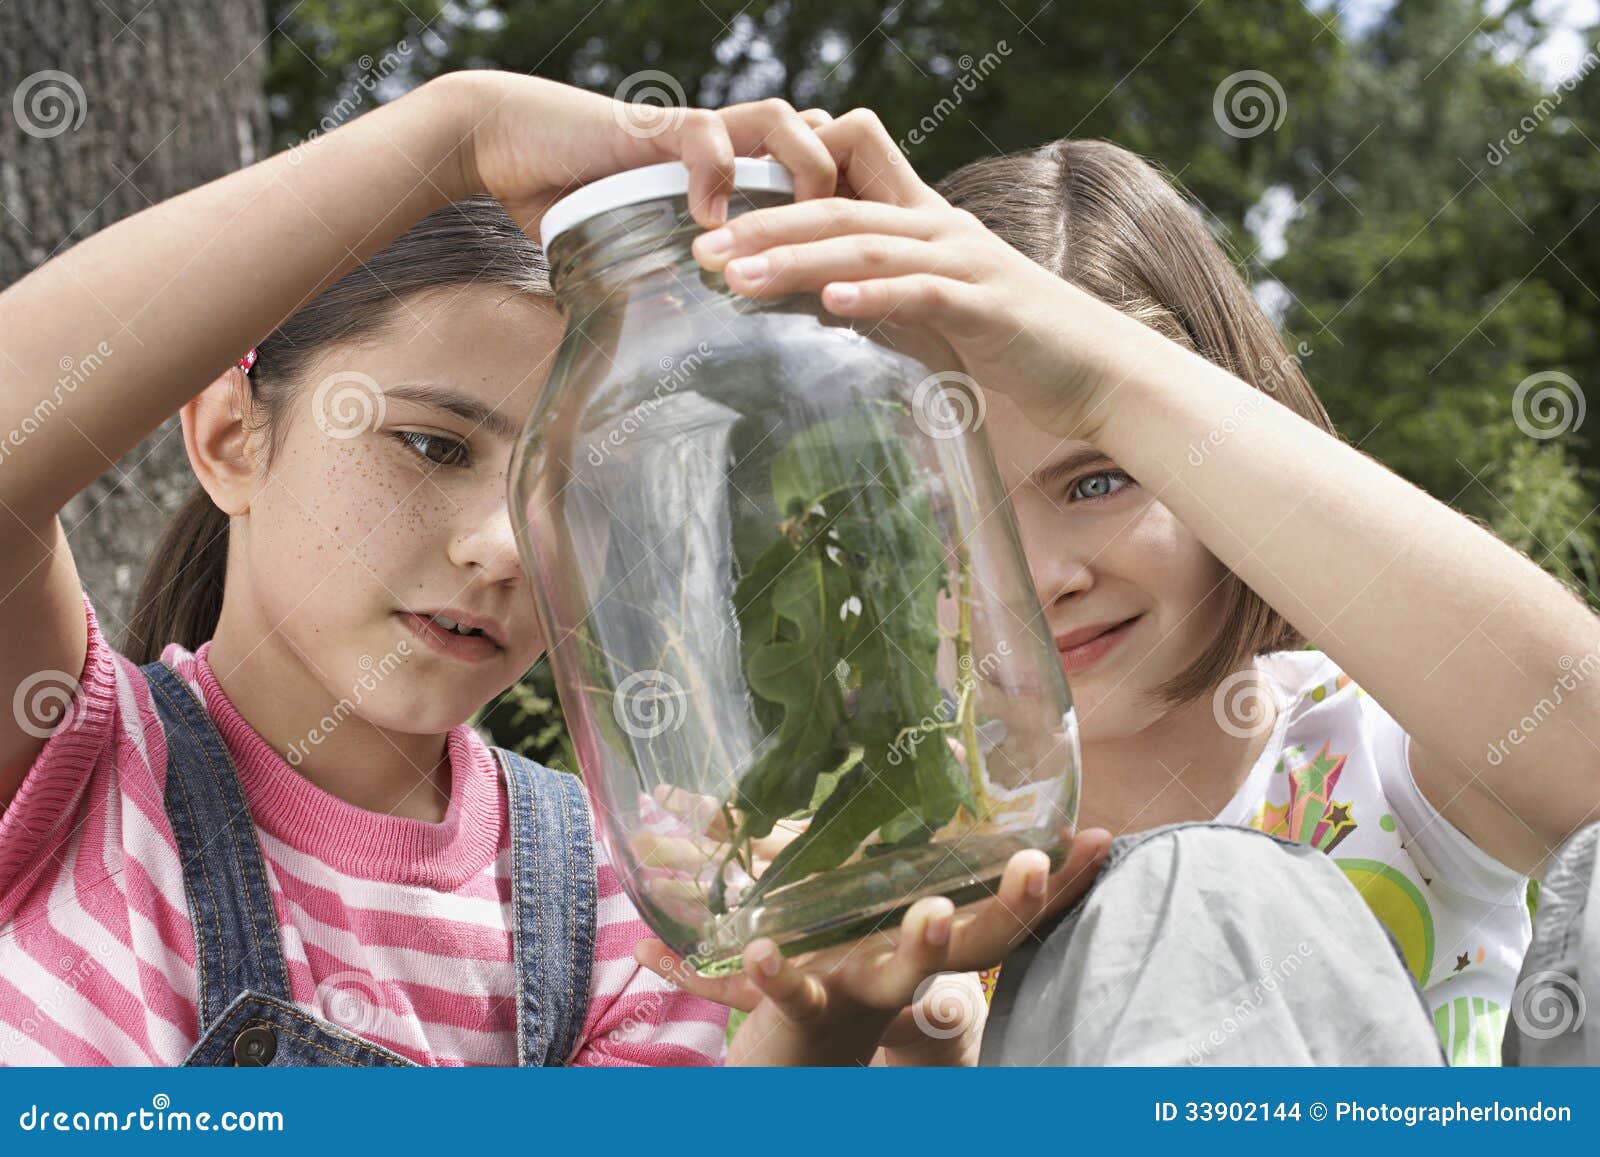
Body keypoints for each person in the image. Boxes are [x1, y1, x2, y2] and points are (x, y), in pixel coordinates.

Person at [0, 73, 1107, 1067]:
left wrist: (822, 1017)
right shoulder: (74, 762)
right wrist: (455, 131)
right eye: (432, 444)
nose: (500, 544)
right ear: (233, 437)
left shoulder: (617, 905)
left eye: (562, 486)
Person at [654, 120, 1600, 1066]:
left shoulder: (1383, 751)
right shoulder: (913, 869)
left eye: (1098, 479)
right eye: (948, 512)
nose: (1040, 581)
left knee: (1197, 887)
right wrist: (832, 1024)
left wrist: (1108, 377)